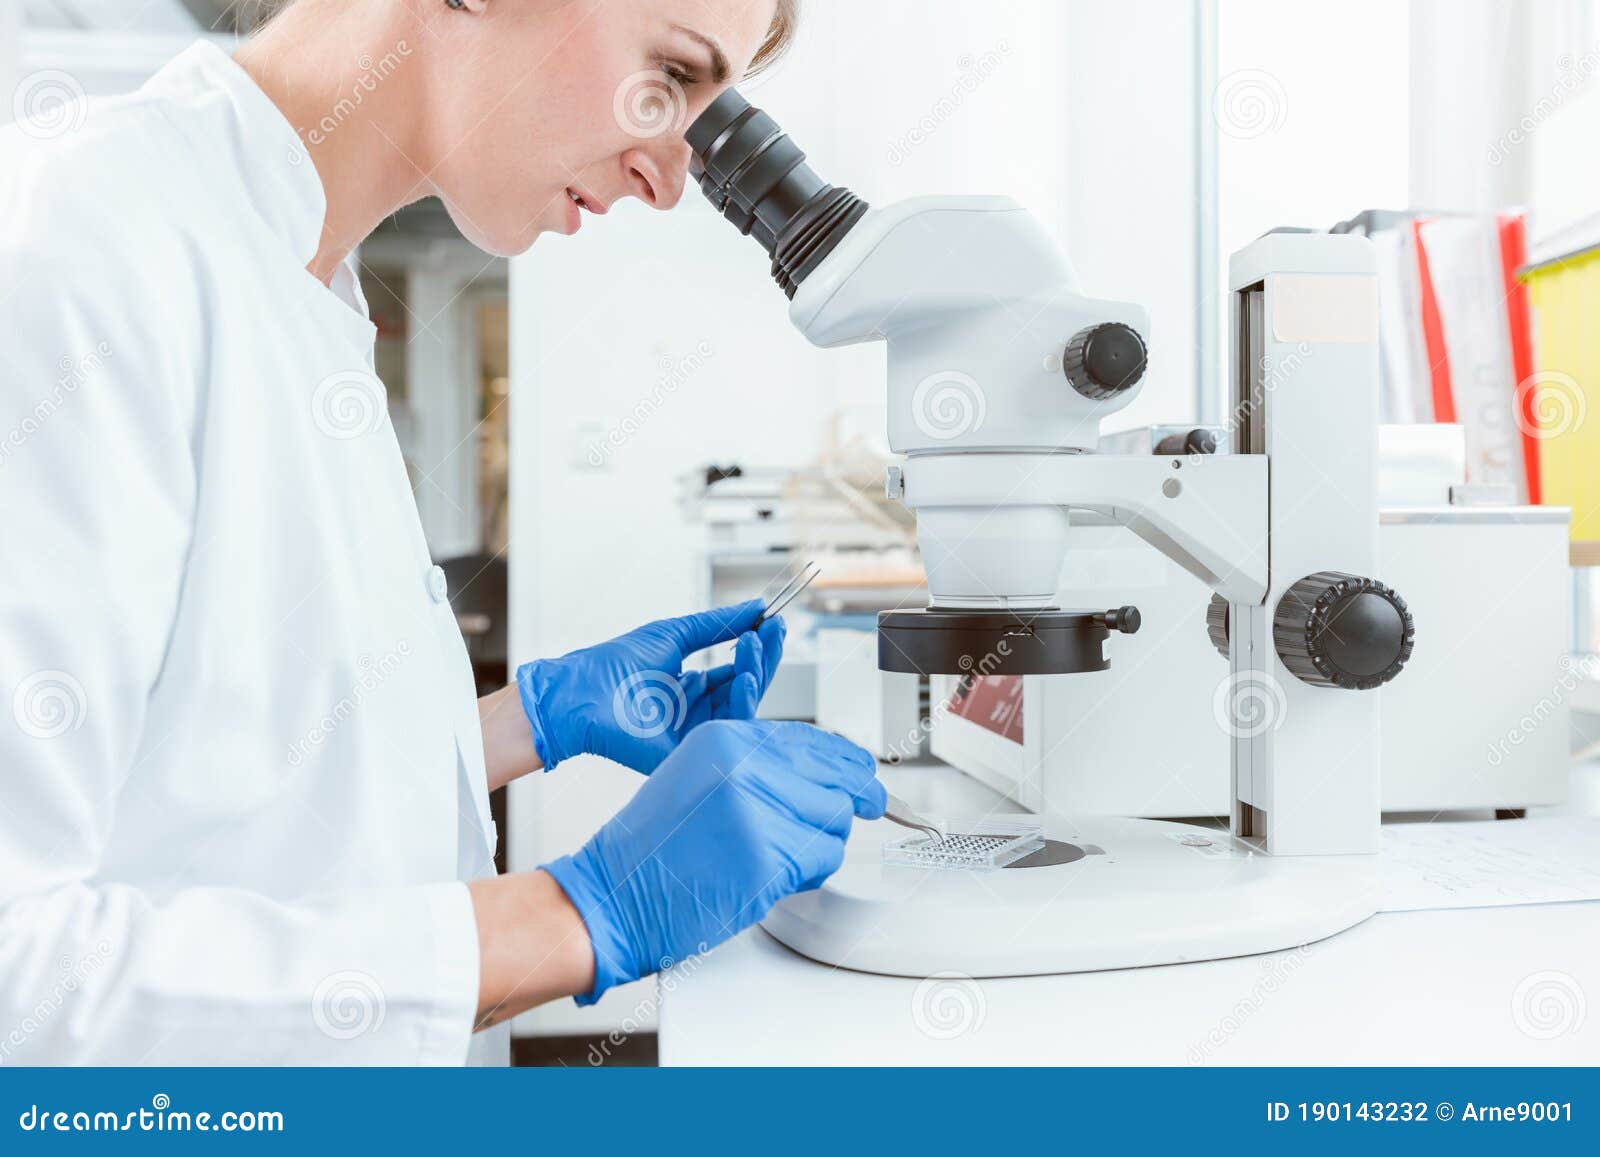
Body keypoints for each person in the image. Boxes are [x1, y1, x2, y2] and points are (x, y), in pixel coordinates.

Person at [0, 0, 884, 1065]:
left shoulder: (301, 276)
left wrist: (526, 722)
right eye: (668, 73)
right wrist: (572, 915)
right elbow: (21, 971)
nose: (668, 174)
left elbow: (223, 782)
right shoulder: (72, 242)